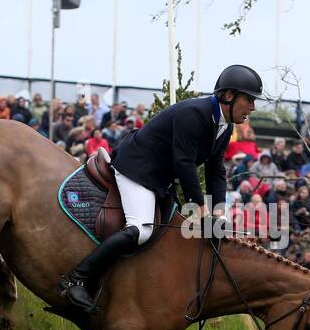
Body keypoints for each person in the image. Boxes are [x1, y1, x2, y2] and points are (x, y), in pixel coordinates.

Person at [58, 64, 260, 311]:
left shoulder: (224, 126)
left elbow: (215, 170)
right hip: (137, 169)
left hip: (159, 179)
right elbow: (184, 163)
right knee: (140, 230)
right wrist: (201, 210)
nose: (252, 107)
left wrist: (218, 212)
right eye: (249, 100)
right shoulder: (195, 113)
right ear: (229, 96)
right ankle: (77, 278)